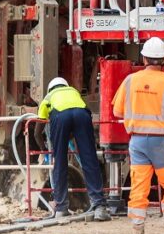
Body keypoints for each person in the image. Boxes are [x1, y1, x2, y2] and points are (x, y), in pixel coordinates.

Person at [112, 36, 164, 234]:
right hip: (162, 142)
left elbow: (117, 111)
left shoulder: (129, 81)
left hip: (138, 142)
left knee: (139, 187)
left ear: (144, 58)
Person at [37, 77, 111, 221]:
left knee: (60, 162)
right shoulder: (74, 92)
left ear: (50, 88)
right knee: (89, 159)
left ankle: (61, 209)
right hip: (82, 115)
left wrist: (43, 149)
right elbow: (77, 114)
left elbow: (37, 132)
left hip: (60, 116)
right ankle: (99, 207)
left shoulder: (48, 98)